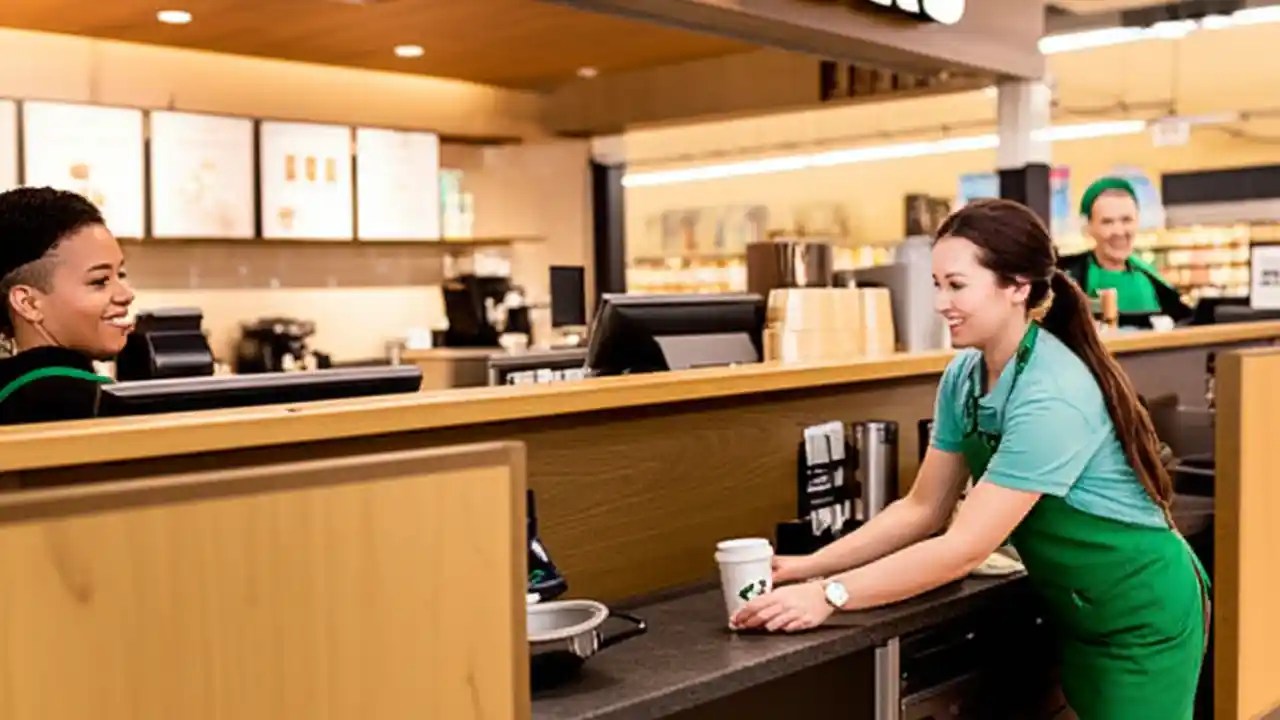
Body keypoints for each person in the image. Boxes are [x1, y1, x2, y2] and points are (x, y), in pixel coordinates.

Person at [733, 199, 1209, 719]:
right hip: (1082, 611)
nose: (940, 302)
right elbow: (923, 508)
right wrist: (808, 566)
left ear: (1017, 287)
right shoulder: (963, 378)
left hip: (1142, 613)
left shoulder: (1053, 393)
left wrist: (831, 595)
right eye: (936, 284)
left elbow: (962, 548)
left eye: (956, 285)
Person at [0, 187, 135, 425]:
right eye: (99, 281)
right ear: (28, 303)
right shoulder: (82, 403)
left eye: (120, 274)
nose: (125, 294)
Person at [1057, 176, 1192, 322]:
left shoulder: (1156, 283)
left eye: (1126, 220)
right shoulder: (1066, 283)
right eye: (1107, 222)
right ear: (1088, 228)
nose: (1119, 231)